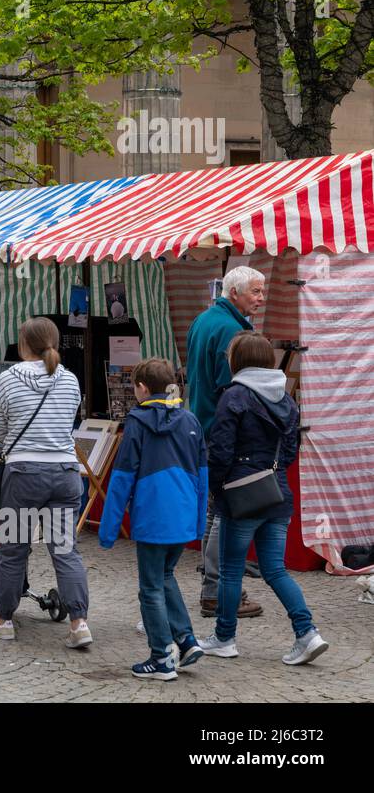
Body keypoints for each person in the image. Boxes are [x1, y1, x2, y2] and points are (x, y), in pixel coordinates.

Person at [199, 331, 328, 666]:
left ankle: (224, 638)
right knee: (275, 570)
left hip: (240, 497)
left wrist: (218, 487)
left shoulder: (234, 395)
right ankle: (307, 632)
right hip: (277, 492)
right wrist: (266, 472)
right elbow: (289, 452)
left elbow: (221, 451)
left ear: (237, 360)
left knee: (230, 570)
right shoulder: (284, 398)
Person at [0, 317, 92, 648]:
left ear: (23, 344)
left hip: (25, 477)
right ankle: (79, 623)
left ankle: (4, 620)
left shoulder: (9, 379)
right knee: (65, 549)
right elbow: (68, 426)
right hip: (65, 475)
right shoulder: (70, 380)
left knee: (14, 549)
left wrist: (2, 447)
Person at [99, 357, 208, 680]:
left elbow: (121, 477)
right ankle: (186, 640)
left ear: (143, 388)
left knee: (150, 588)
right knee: (166, 577)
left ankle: (161, 655)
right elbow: (203, 477)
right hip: (183, 515)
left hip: (152, 517)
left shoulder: (137, 422)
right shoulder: (191, 420)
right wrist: (198, 524)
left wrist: (108, 530)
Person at [186, 265, 267, 620]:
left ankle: (211, 584)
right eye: (255, 292)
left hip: (202, 426)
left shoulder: (202, 320)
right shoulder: (233, 329)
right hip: (221, 432)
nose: (261, 300)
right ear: (233, 293)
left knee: (213, 510)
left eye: (262, 292)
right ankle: (217, 591)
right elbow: (228, 390)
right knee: (224, 514)